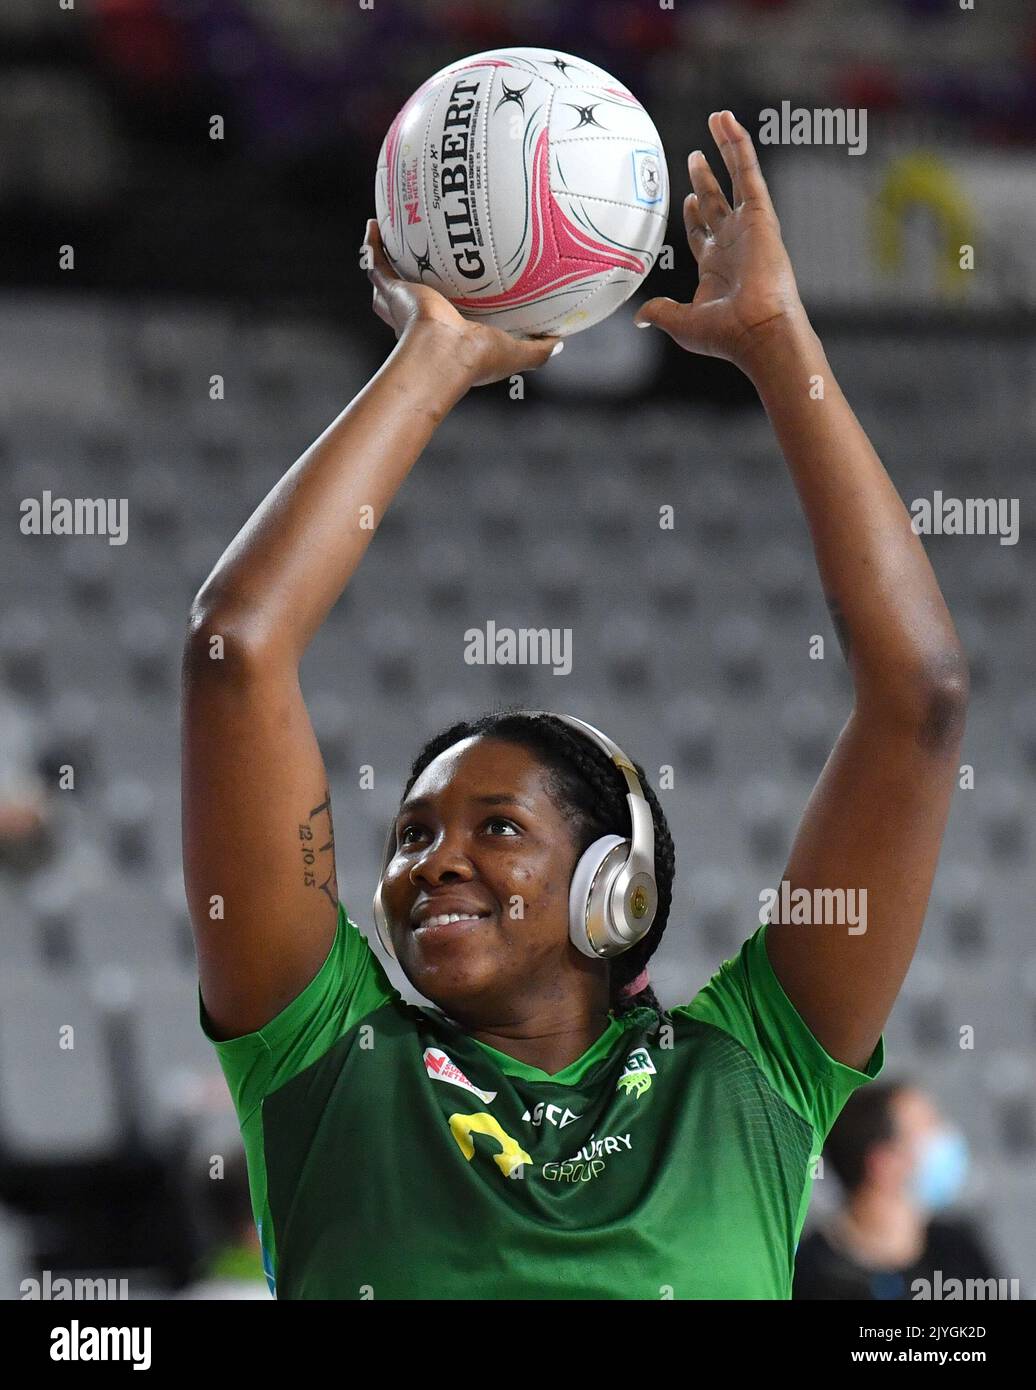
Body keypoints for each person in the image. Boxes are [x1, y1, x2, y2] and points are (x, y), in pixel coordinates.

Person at [181, 110, 969, 1299]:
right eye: (411, 835)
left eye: (494, 826)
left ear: (615, 884)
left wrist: (778, 345)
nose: (431, 864)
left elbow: (920, 697)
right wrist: (431, 360)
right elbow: (235, 651)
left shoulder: (746, 1072)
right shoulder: (325, 1055)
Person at [794, 1080, 1004, 1300]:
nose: (946, 1140)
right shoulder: (808, 1274)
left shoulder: (958, 1248)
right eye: (930, 1126)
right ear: (883, 1163)